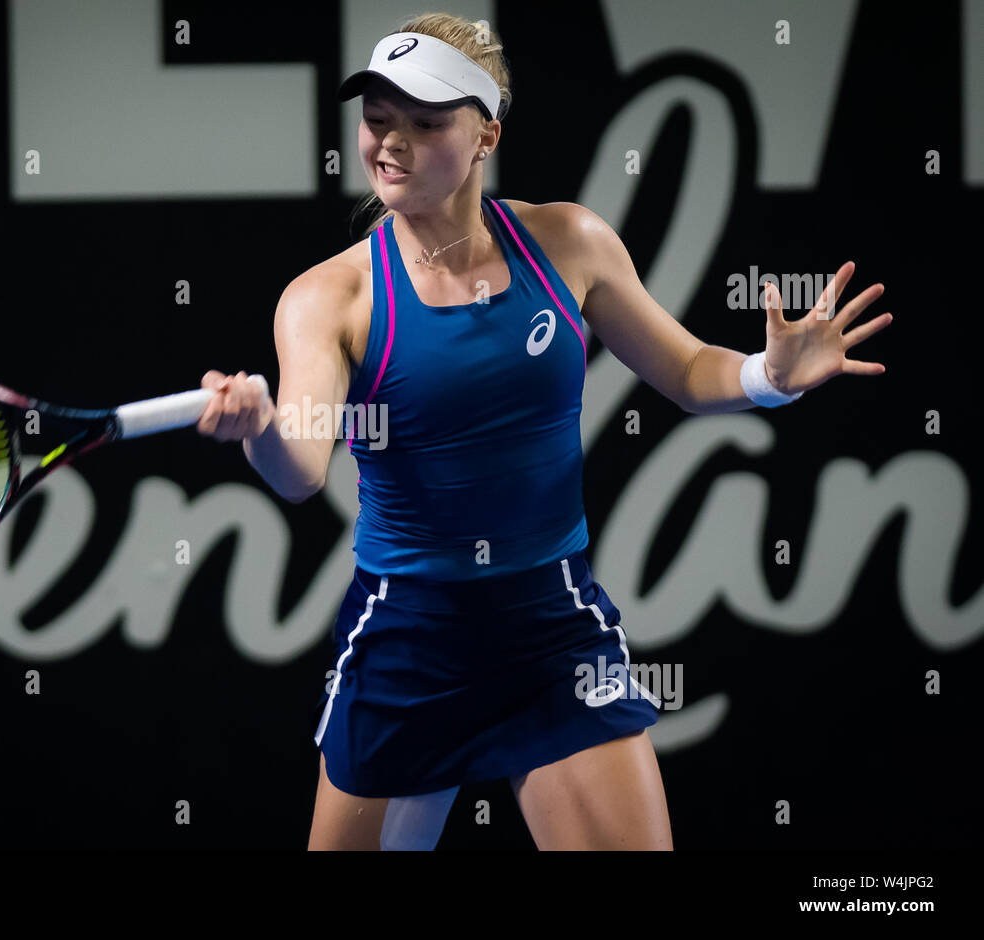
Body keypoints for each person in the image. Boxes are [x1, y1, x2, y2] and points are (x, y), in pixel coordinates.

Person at [197, 13, 891, 851]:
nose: (392, 143)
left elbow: (688, 370)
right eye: (379, 118)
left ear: (486, 132)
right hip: (410, 640)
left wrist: (768, 377)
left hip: (552, 628)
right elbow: (302, 468)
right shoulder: (326, 299)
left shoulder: (570, 242)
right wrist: (261, 428)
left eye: (425, 122)